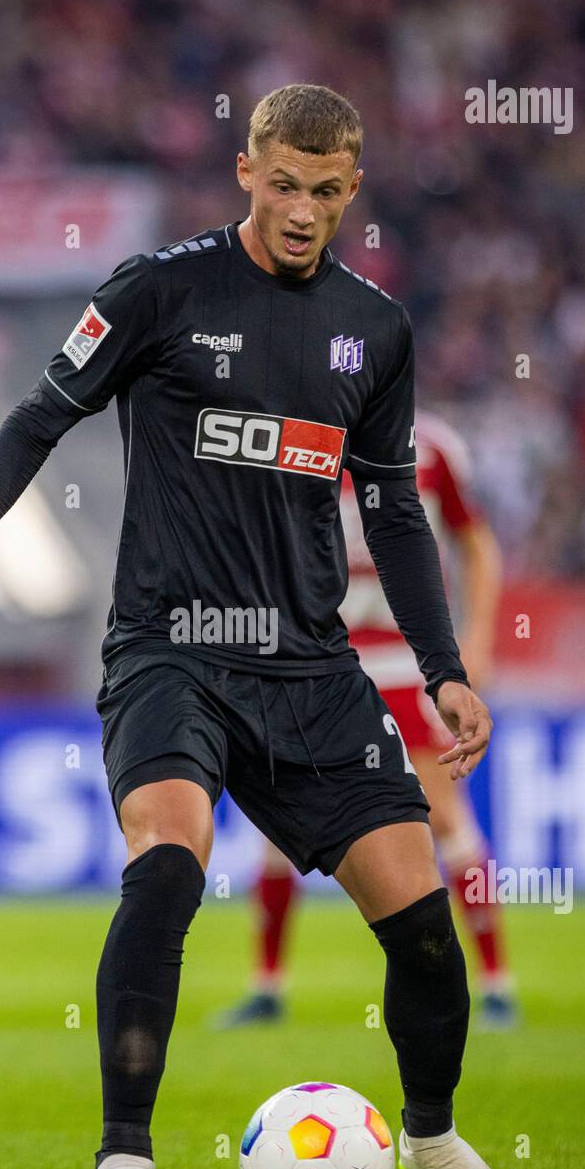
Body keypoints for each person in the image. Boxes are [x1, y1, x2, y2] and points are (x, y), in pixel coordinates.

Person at [0, 84, 527, 1169]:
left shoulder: (374, 331)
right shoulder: (159, 290)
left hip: (310, 670)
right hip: (170, 650)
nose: (301, 210)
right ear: (246, 171)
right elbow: (37, 417)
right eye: (282, 184)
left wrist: (442, 668)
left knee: (423, 929)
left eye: (324, 191)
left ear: (352, 190)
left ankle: (431, 1137)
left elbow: (394, 511)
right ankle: (123, 1165)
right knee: (169, 863)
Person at [217, 410, 517, 1032]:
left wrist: (478, 640)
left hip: (406, 660)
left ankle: (496, 984)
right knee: (278, 819)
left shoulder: (432, 447)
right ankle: (267, 985)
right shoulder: (293, 434)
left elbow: (478, 544)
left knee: (441, 815)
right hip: (316, 659)